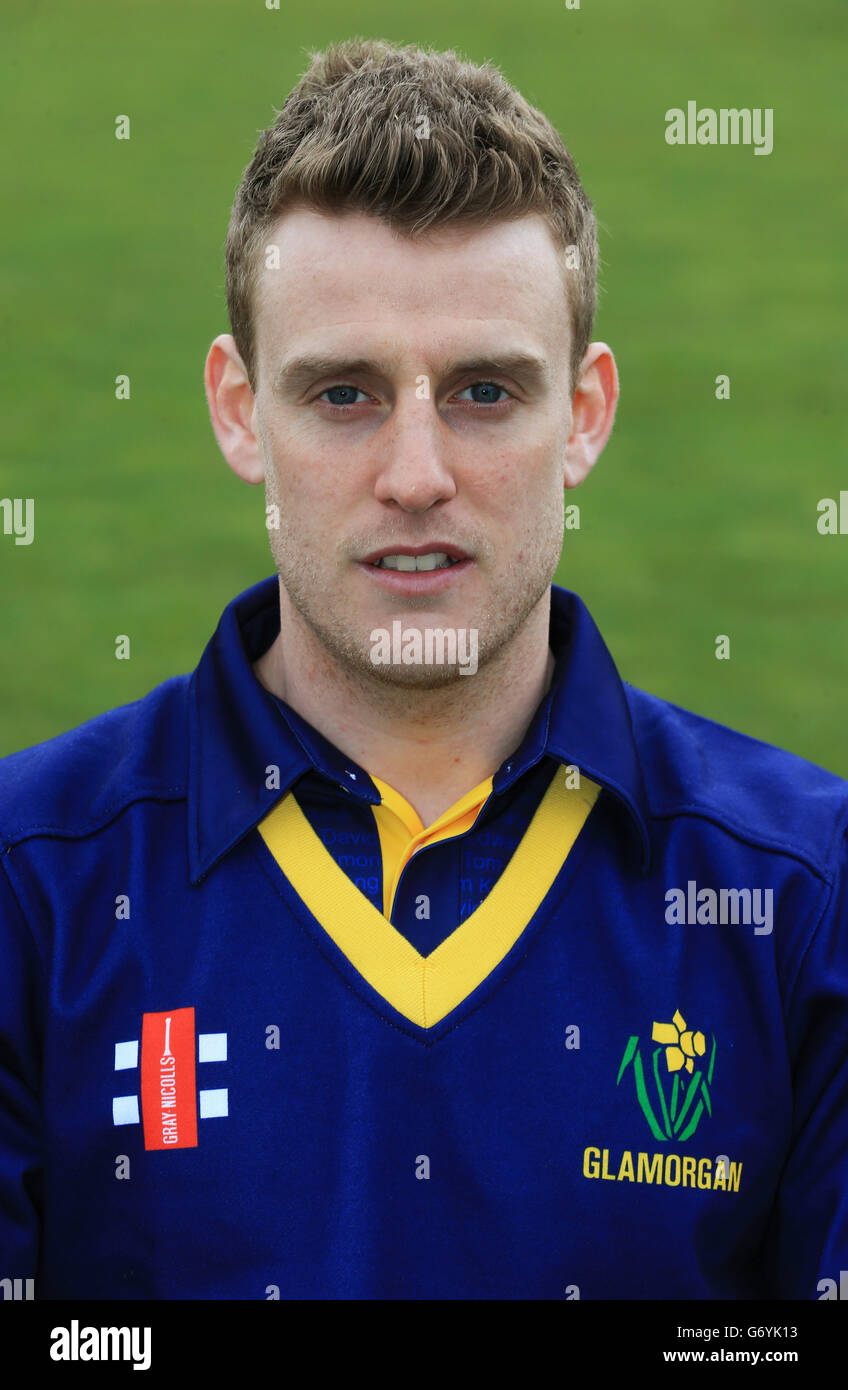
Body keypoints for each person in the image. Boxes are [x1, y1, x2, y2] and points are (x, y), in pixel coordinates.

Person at [1, 38, 846, 1302]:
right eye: (341, 393)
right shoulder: (29, 884)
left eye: (484, 392)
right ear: (238, 411)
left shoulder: (805, 891)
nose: (414, 475)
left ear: (585, 414)